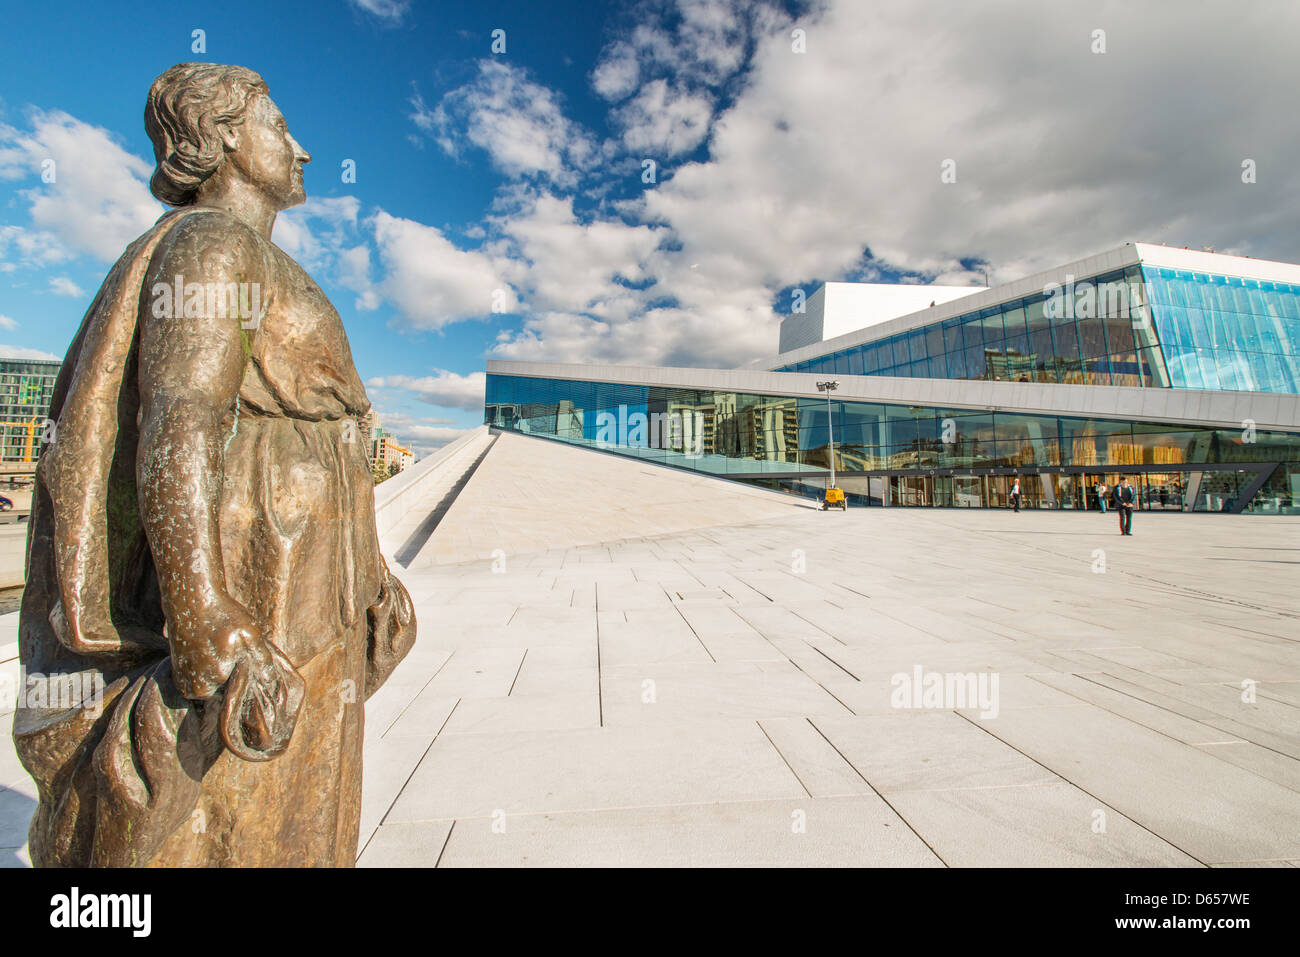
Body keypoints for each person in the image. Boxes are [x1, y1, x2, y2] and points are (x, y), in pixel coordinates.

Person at [14, 63, 416, 867]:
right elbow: (182, 418)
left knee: (300, 806)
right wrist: (203, 611)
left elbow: (331, 438)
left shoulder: (255, 257)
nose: (301, 150)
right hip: (259, 579)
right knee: (240, 809)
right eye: (279, 125)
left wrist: (370, 572)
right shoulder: (209, 243)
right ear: (225, 135)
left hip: (309, 586)